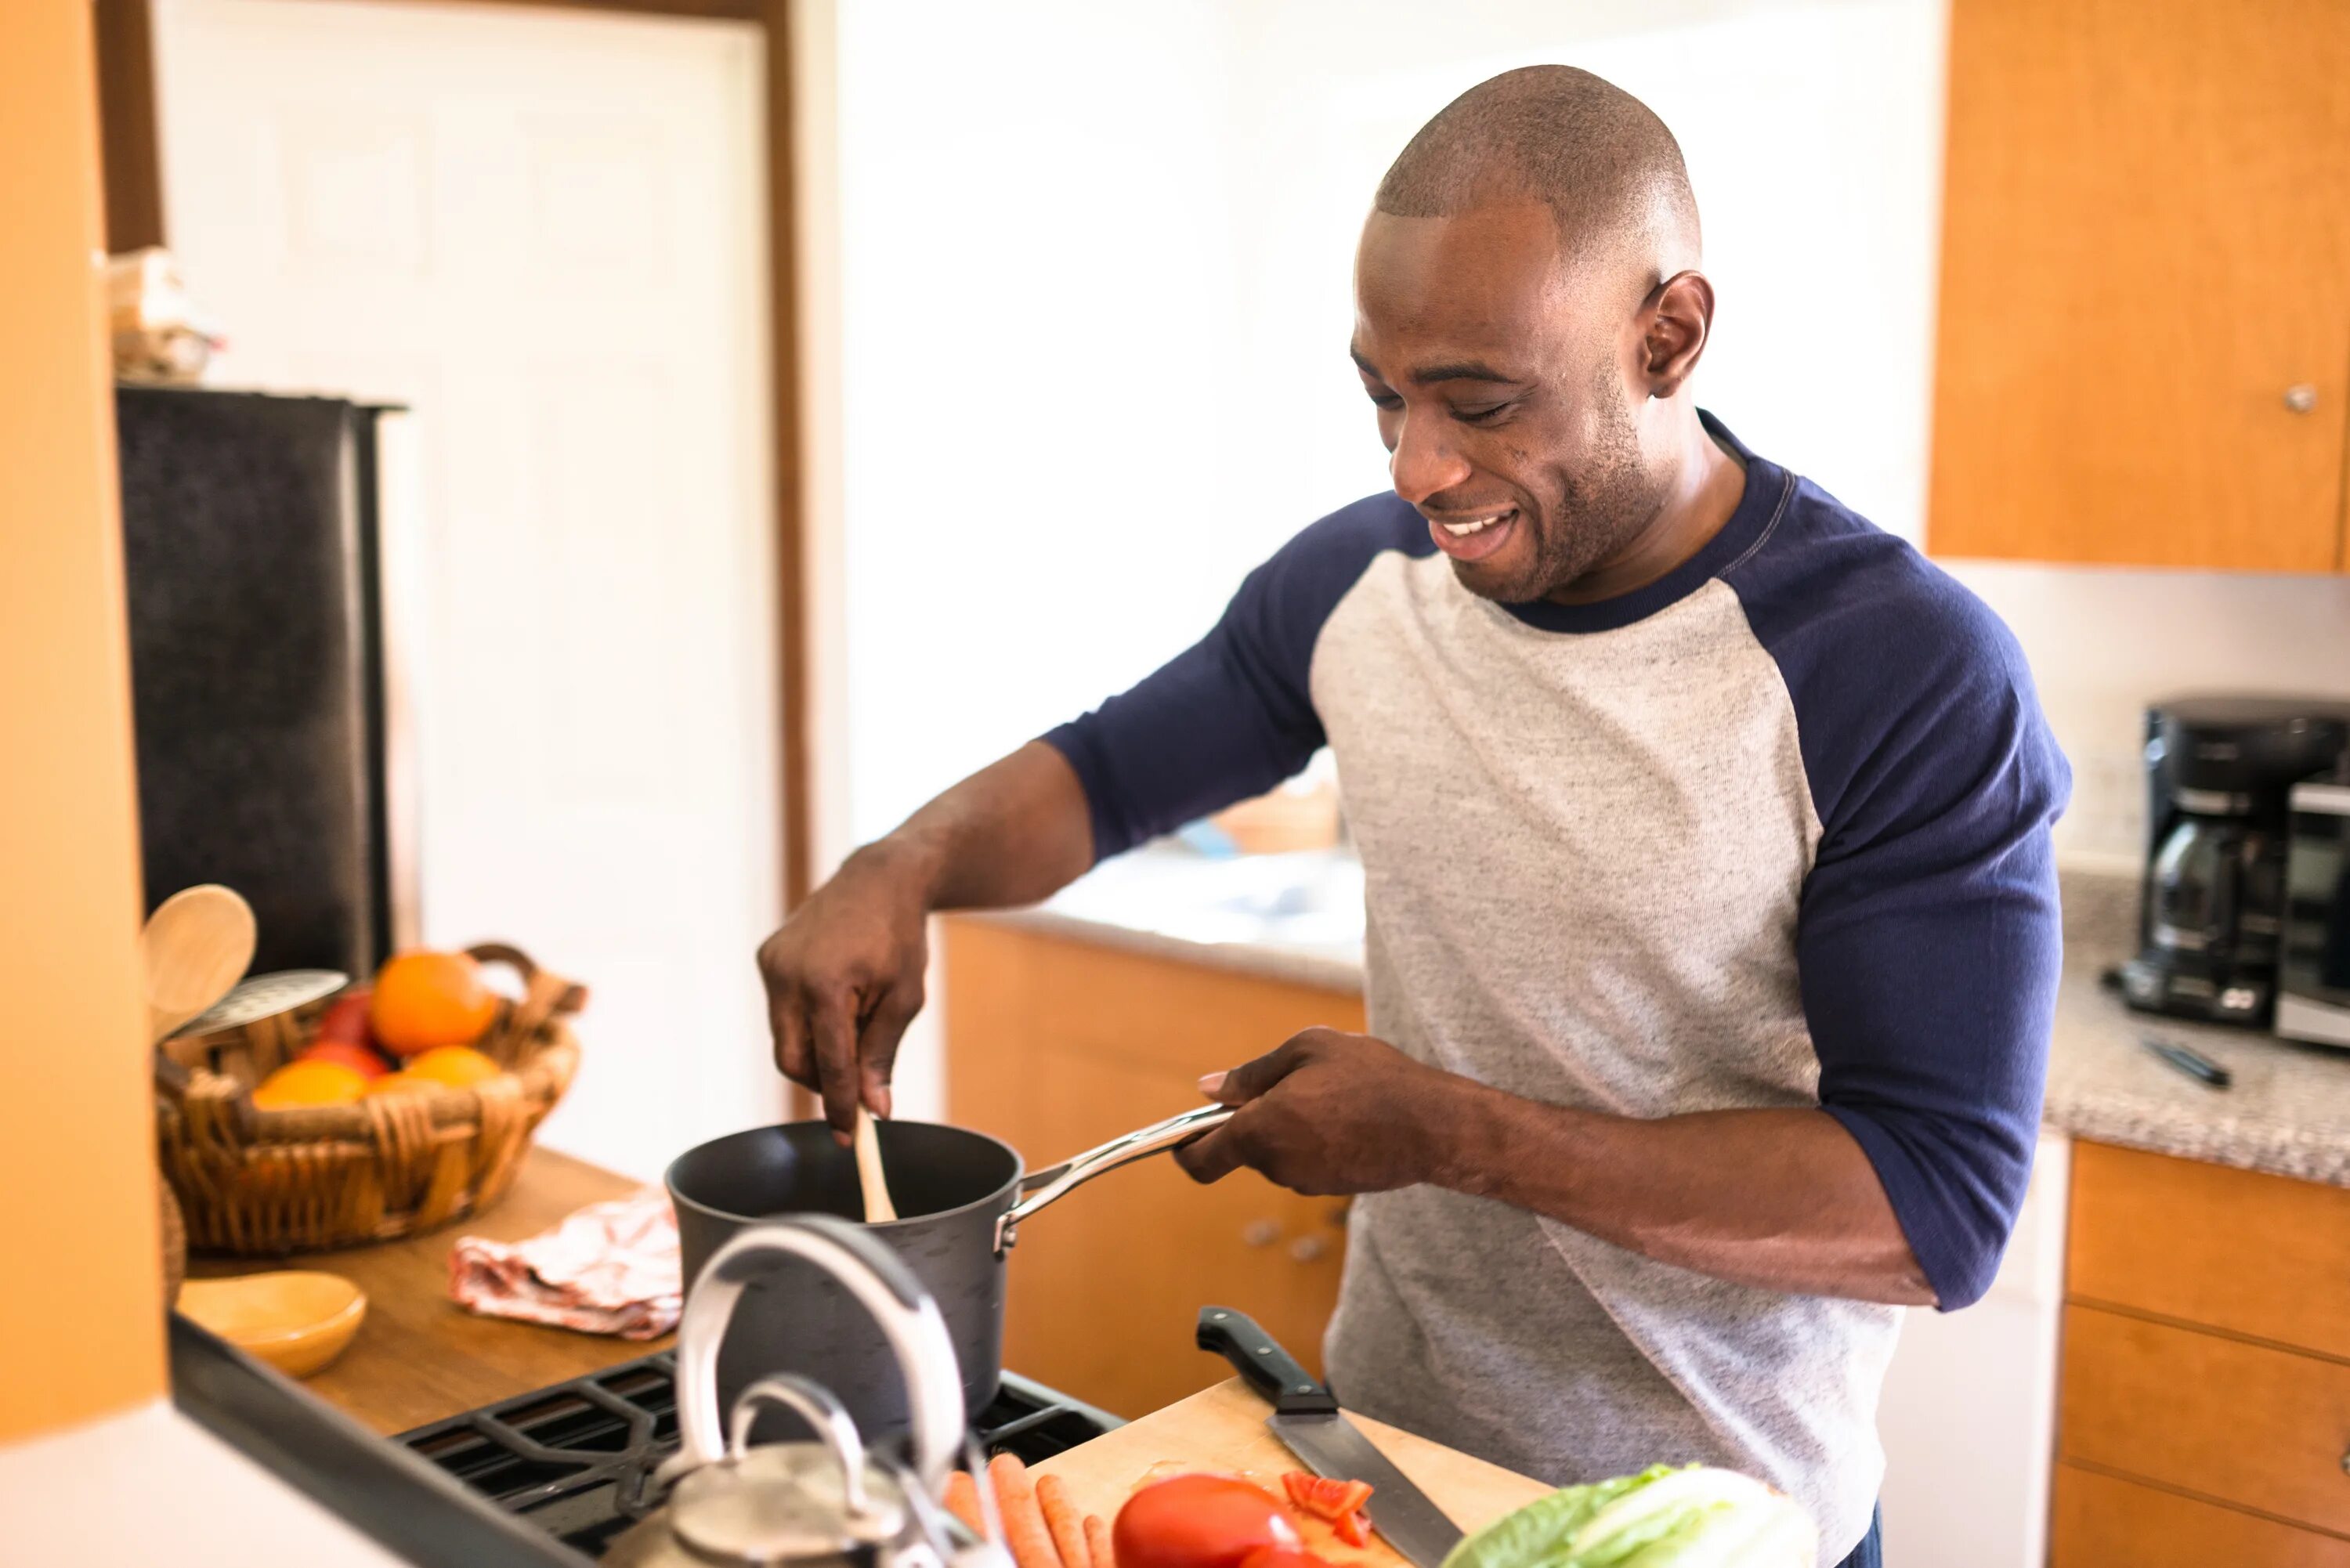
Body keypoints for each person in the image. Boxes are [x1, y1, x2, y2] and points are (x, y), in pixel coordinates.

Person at [757, 64, 2067, 1568]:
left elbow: (1933, 1213)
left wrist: (1447, 1130)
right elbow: (1108, 774)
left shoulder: (1897, 669)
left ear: (1670, 335)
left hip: (1705, 1528)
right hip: (1369, 1487)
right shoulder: (1359, 583)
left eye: (1481, 402)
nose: (1418, 466)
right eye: (1384, 393)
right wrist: (897, 863)